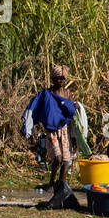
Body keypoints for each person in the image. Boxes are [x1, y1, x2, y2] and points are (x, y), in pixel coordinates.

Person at [29, 64, 79, 209]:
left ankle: (60, 185)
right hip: (52, 130)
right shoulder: (48, 94)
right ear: (52, 79)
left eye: (62, 79)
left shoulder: (67, 93)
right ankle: (52, 181)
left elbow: (71, 110)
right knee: (57, 157)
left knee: (66, 159)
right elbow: (42, 109)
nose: (60, 81)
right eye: (57, 78)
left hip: (64, 129)